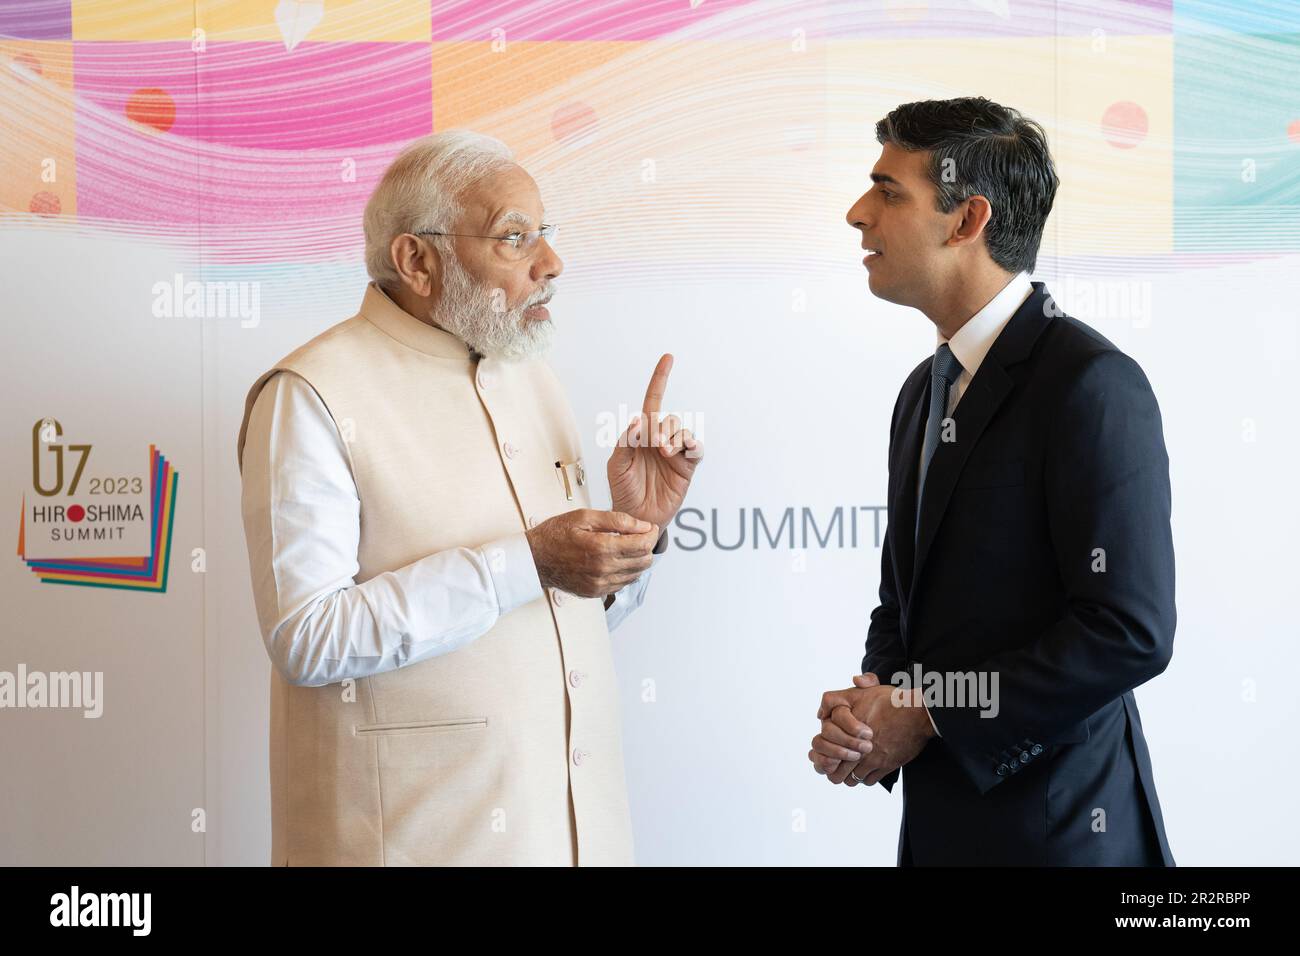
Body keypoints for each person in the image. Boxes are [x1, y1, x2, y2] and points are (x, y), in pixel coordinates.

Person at [237, 130, 703, 865]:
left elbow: (544, 620)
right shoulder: (311, 394)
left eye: (544, 234)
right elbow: (308, 637)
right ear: (416, 260)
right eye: (514, 239)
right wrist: (529, 562)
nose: (551, 264)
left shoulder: (528, 374)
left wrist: (632, 533)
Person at [809, 97, 1175, 866]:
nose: (857, 213)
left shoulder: (1091, 383)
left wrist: (931, 714)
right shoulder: (922, 389)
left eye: (888, 191)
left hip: (1065, 837)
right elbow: (903, 606)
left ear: (966, 219)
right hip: (943, 832)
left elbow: (1127, 631)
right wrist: (874, 714)